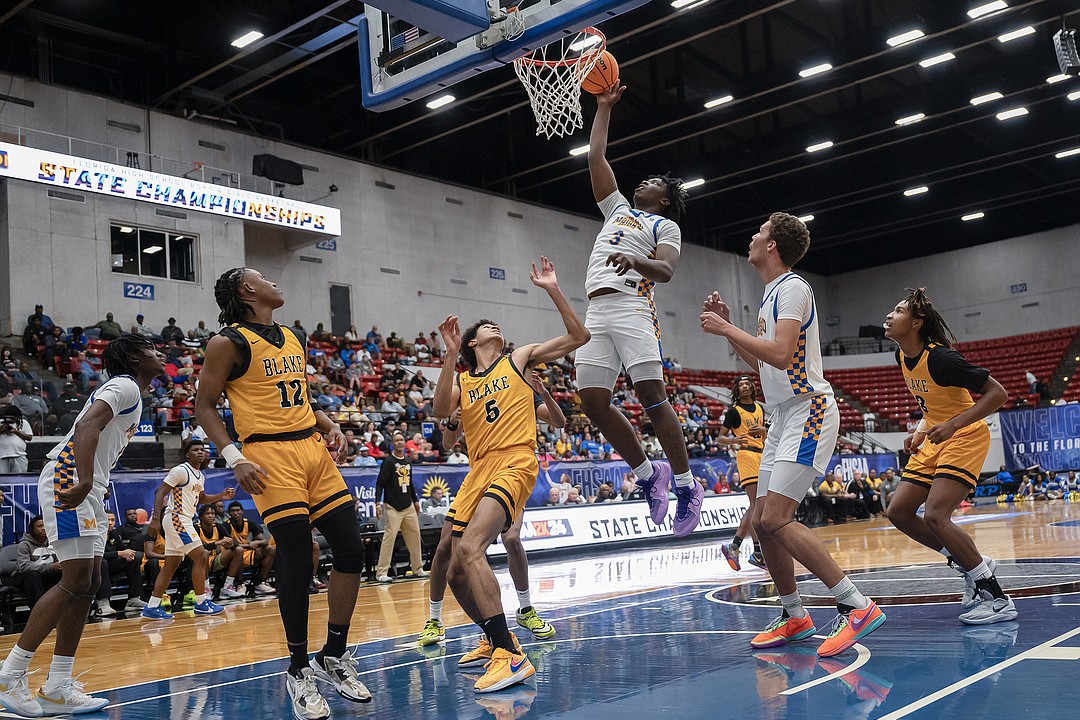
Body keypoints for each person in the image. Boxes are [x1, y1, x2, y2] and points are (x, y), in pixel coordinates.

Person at [700, 212, 884, 657]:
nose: (752, 235)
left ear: (773, 246)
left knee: (776, 517)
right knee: (763, 521)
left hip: (808, 410)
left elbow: (782, 355)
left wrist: (728, 328)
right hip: (782, 416)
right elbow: (763, 365)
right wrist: (733, 335)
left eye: (759, 231)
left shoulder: (794, 288)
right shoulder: (770, 296)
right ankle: (794, 614)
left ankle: (857, 606)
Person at [196, 267, 372, 719]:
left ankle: (333, 654)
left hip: (312, 449)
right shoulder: (227, 343)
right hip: (269, 455)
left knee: (352, 551)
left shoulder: (292, 336)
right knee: (297, 556)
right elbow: (203, 405)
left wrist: (329, 423)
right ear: (246, 290)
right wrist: (234, 457)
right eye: (264, 278)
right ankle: (297, 670)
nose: (276, 282)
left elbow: (297, 399)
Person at [430, 255, 589, 693]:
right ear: (472, 343)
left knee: (473, 548)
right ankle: (494, 639)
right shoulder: (462, 380)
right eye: (487, 326)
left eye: (497, 325)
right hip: (478, 469)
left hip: (515, 460)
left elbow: (580, 336)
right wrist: (447, 356)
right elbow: (440, 411)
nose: (495, 327)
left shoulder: (518, 359)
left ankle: (510, 655)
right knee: (455, 563)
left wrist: (553, 288)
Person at [0, 334, 164, 716]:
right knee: (74, 580)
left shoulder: (132, 392)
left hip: (86, 482)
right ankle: (10, 674)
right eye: (152, 351)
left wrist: (96, 482)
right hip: (70, 477)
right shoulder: (124, 384)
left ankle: (58, 684)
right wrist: (88, 479)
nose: (160, 355)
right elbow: (87, 426)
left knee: (88, 581)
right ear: (135, 359)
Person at [577, 85, 701, 538]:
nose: (642, 182)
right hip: (597, 310)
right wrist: (603, 109)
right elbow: (595, 159)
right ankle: (651, 475)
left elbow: (666, 270)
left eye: (653, 182)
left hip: (632, 305)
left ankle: (687, 485)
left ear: (664, 198)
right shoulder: (616, 210)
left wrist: (636, 260)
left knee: (651, 393)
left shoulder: (663, 224)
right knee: (592, 402)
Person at [883, 288, 1014, 624]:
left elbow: (998, 394)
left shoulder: (942, 358)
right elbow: (932, 404)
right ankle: (969, 562)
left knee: (936, 516)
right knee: (898, 511)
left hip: (965, 435)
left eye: (898, 311)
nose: (889, 315)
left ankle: (996, 597)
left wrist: (953, 425)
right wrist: (919, 429)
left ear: (916, 323)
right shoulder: (901, 357)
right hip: (936, 436)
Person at [420, 367, 563, 661]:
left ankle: (525, 608)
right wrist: (452, 422)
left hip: (510, 469)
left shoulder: (517, 389)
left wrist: (542, 392)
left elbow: (559, 420)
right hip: (480, 476)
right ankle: (437, 619)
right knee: (447, 547)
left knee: (511, 539)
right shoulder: (470, 391)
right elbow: (447, 443)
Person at [141, 439, 233, 618]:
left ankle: (151, 606)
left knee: (170, 566)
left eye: (203, 450)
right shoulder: (180, 471)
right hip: (177, 517)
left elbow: (203, 498)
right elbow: (161, 492)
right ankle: (201, 602)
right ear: (187, 454)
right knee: (201, 555)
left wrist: (221, 495)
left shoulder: (200, 475)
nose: (201, 452)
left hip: (185, 519)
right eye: (196, 450)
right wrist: (155, 518)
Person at [718, 375, 768, 571]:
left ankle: (735, 547)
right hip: (746, 455)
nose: (745, 387)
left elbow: (765, 433)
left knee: (757, 505)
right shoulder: (733, 412)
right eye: (741, 385)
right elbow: (720, 438)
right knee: (756, 505)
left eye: (748, 384)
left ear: (753, 388)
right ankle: (757, 553)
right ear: (736, 390)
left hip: (762, 454)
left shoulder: (760, 408)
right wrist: (734, 441)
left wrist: (764, 430)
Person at [373, 432, 427, 583]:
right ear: (392, 443)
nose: (400, 442)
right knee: (389, 538)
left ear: (405, 442)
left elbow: (409, 483)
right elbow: (380, 484)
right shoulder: (388, 462)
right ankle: (381, 572)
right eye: (397, 440)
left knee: (415, 536)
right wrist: (378, 503)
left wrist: (415, 500)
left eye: (402, 440)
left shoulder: (408, 461)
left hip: (408, 505)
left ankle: (418, 569)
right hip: (392, 506)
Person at [224, 501, 277, 596]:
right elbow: (230, 545)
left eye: (237, 510)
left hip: (246, 552)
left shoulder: (248, 523)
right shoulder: (226, 525)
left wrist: (257, 544)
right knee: (238, 551)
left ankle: (261, 582)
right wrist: (249, 546)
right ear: (229, 513)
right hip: (231, 554)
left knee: (271, 549)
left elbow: (264, 541)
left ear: (242, 512)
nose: (235, 513)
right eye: (232, 511)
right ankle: (239, 584)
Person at [0, 405, 33, 474]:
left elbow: (29, 437)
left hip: (19, 455)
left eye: (12, 418)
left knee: (19, 477)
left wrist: (16, 431)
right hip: (2, 456)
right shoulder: (1, 422)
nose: (10, 420)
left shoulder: (23, 423)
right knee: (3, 479)